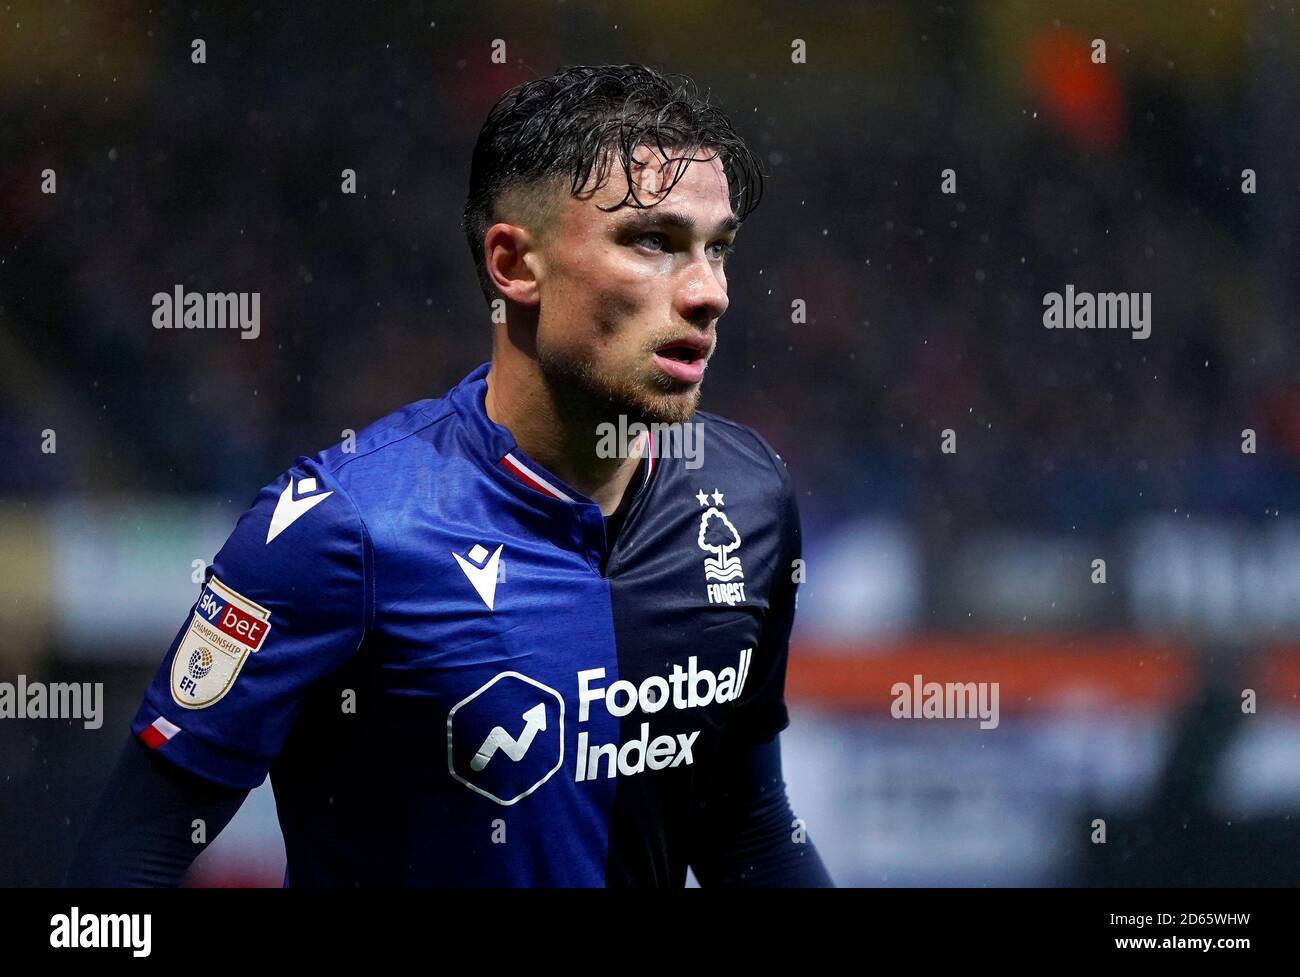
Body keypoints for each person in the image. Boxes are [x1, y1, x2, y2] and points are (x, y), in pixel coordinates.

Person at [67, 63, 833, 887]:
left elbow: (748, 828)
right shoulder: (345, 528)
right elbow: (128, 858)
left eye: (718, 248)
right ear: (514, 264)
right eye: (654, 241)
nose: (709, 292)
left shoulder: (748, 496)